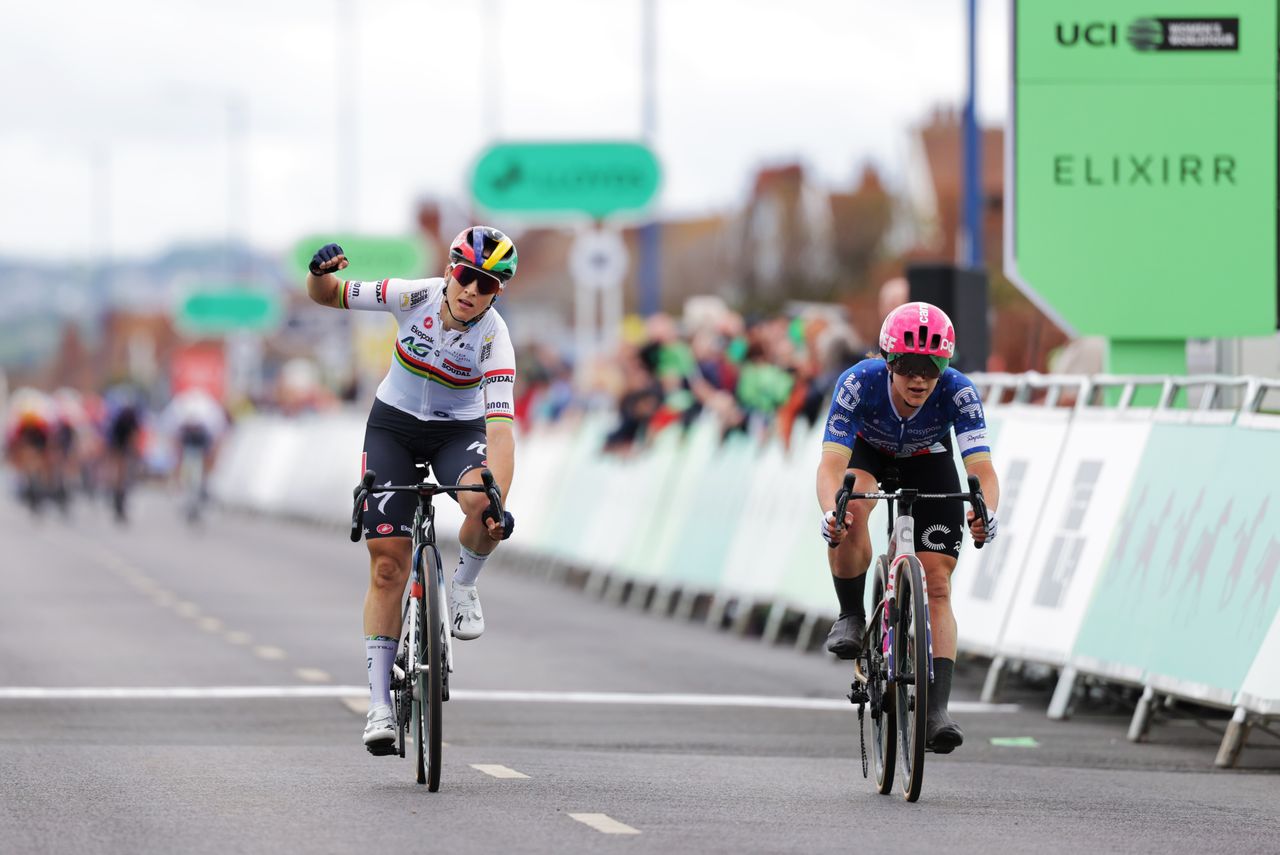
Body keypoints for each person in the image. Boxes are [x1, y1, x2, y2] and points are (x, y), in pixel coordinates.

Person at [305, 226, 518, 755]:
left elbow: (501, 433)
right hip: (392, 426)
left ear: (497, 293)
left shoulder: (495, 340)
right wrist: (317, 275)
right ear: (449, 270)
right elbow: (329, 296)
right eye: (466, 275)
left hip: (457, 431)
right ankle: (379, 704)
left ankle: (464, 584)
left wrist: (498, 505)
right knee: (387, 565)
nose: (471, 290)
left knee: (480, 502)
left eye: (486, 285)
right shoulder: (411, 295)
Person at [816, 301, 1000, 754]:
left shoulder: (958, 391)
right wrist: (830, 512)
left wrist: (986, 511)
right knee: (852, 508)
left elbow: (983, 472)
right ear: (887, 361)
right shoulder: (858, 383)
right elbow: (831, 465)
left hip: (928, 458)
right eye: (908, 366)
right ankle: (852, 615)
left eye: (931, 367)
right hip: (868, 451)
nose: (919, 379)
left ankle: (936, 710)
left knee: (936, 584)